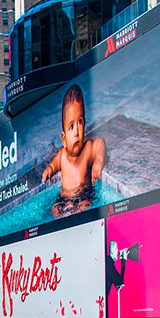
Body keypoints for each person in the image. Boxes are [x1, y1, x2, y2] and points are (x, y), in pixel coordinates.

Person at [40, 84, 107, 219]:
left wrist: (98, 161)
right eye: (71, 127)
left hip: (84, 194)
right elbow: (55, 164)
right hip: (63, 198)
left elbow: (100, 143)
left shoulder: (87, 149)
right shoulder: (62, 155)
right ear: (63, 139)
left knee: (84, 207)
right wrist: (50, 169)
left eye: (80, 122)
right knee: (55, 209)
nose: (76, 131)